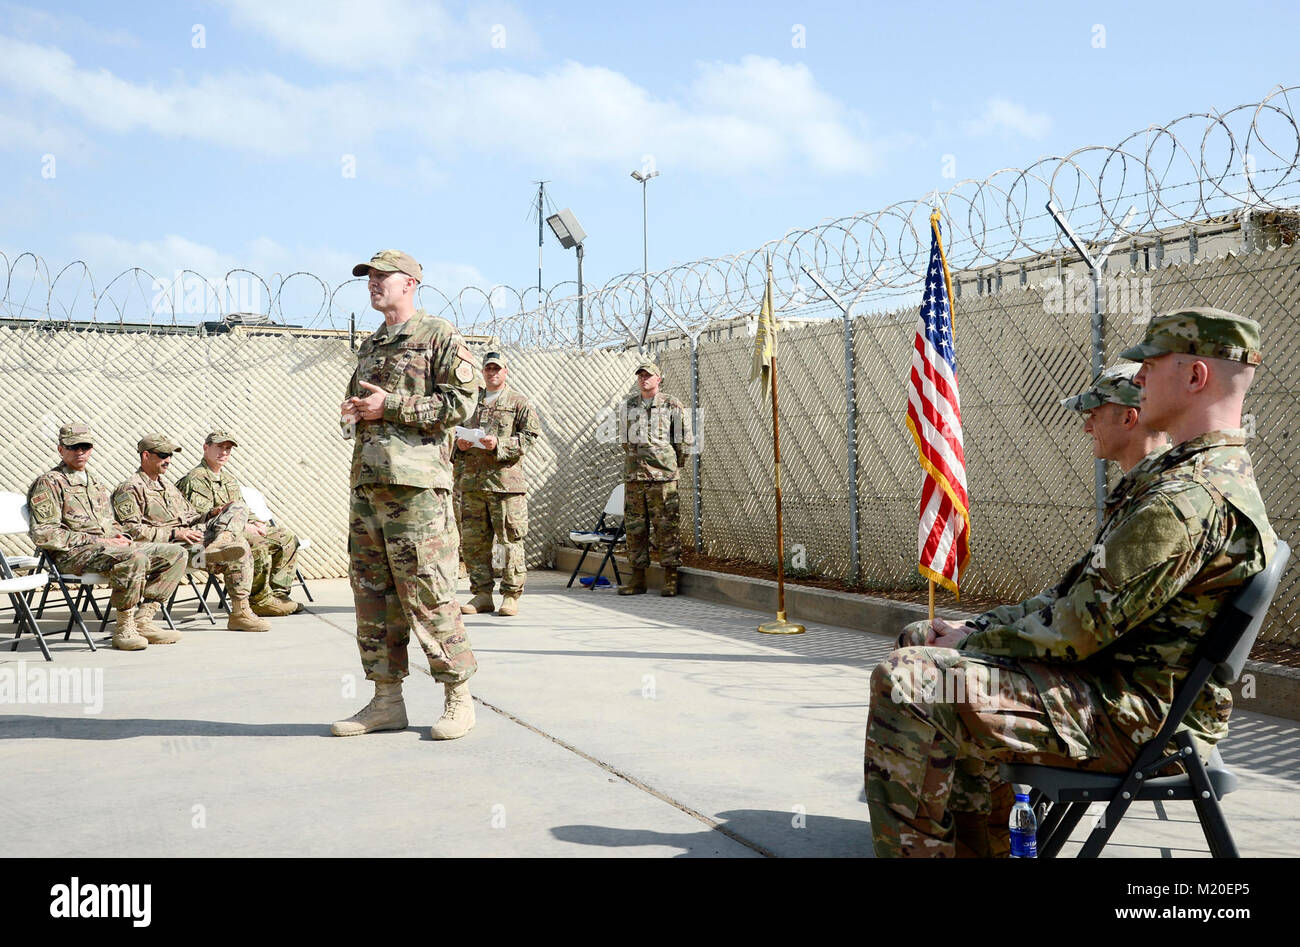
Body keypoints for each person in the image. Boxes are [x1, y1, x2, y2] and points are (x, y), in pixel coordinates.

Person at [864, 307, 1276, 858]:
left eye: (1150, 367)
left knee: (910, 682)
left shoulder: (1185, 500)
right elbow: (1073, 602)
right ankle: (982, 847)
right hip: (1119, 689)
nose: (1140, 379)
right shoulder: (1189, 481)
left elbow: (1077, 630)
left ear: (1196, 377)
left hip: (1132, 714)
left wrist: (974, 641)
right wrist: (977, 630)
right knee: (923, 643)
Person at [333, 249, 481, 740]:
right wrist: (355, 410)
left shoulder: (437, 335)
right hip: (369, 484)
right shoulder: (372, 343)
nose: (373, 283)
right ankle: (386, 701)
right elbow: (368, 405)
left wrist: (390, 406)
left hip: (416, 489)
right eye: (369, 277)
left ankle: (458, 697)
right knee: (373, 597)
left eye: (383, 277)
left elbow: (461, 403)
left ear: (411, 283)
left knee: (429, 592)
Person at [27, 423, 187, 651]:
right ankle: (124, 627)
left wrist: (120, 536)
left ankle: (144, 619)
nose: (80, 451)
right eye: (73, 447)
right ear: (61, 450)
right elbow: (45, 535)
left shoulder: (95, 483)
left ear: (91, 449)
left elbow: (108, 524)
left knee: (176, 553)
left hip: (105, 550)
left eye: (85, 446)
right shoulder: (50, 483)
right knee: (134, 557)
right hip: (72, 554)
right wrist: (100, 541)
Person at [111, 434, 270, 633]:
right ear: (145, 456)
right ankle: (144, 617)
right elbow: (131, 531)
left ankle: (240, 612)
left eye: (170, 455)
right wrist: (174, 533)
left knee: (237, 515)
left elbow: (191, 517)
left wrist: (213, 513)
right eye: (162, 455)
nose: (168, 460)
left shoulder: (167, 487)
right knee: (237, 544)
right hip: (168, 549)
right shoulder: (129, 489)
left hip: (193, 543)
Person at [177, 431, 302, 617]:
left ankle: (278, 596)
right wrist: (245, 527)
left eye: (228, 449)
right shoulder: (196, 479)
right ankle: (258, 600)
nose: (224, 452)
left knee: (287, 538)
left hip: (238, 530)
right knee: (256, 543)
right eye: (219, 447)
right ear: (206, 448)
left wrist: (255, 522)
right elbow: (202, 518)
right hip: (212, 538)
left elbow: (243, 507)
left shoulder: (228, 479)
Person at [455, 352, 540, 617]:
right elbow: (451, 433)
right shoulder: (471, 402)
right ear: (482, 372)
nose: (492, 373)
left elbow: (530, 436)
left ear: (505, 372)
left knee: (509, 541)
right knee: (474, 543)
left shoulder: (518, 402)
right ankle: (481, 594)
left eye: (497, 369)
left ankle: (511, 595)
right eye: (488, 369)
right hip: (472, 484)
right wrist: (459, 445)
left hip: (505, 485)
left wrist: (500, 444)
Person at [616, 359, 693, 597]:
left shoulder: (672, 404)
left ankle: (670, 578)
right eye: (640, 375)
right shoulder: (628, 405)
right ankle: (637, 578)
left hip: (662, 478)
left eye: (648, 375)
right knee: (635, 529)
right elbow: (624, 439)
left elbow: (684, 440)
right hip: (635, 477)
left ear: (658, 379)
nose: (644, 379)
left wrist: (671, 466)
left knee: (666, 528)